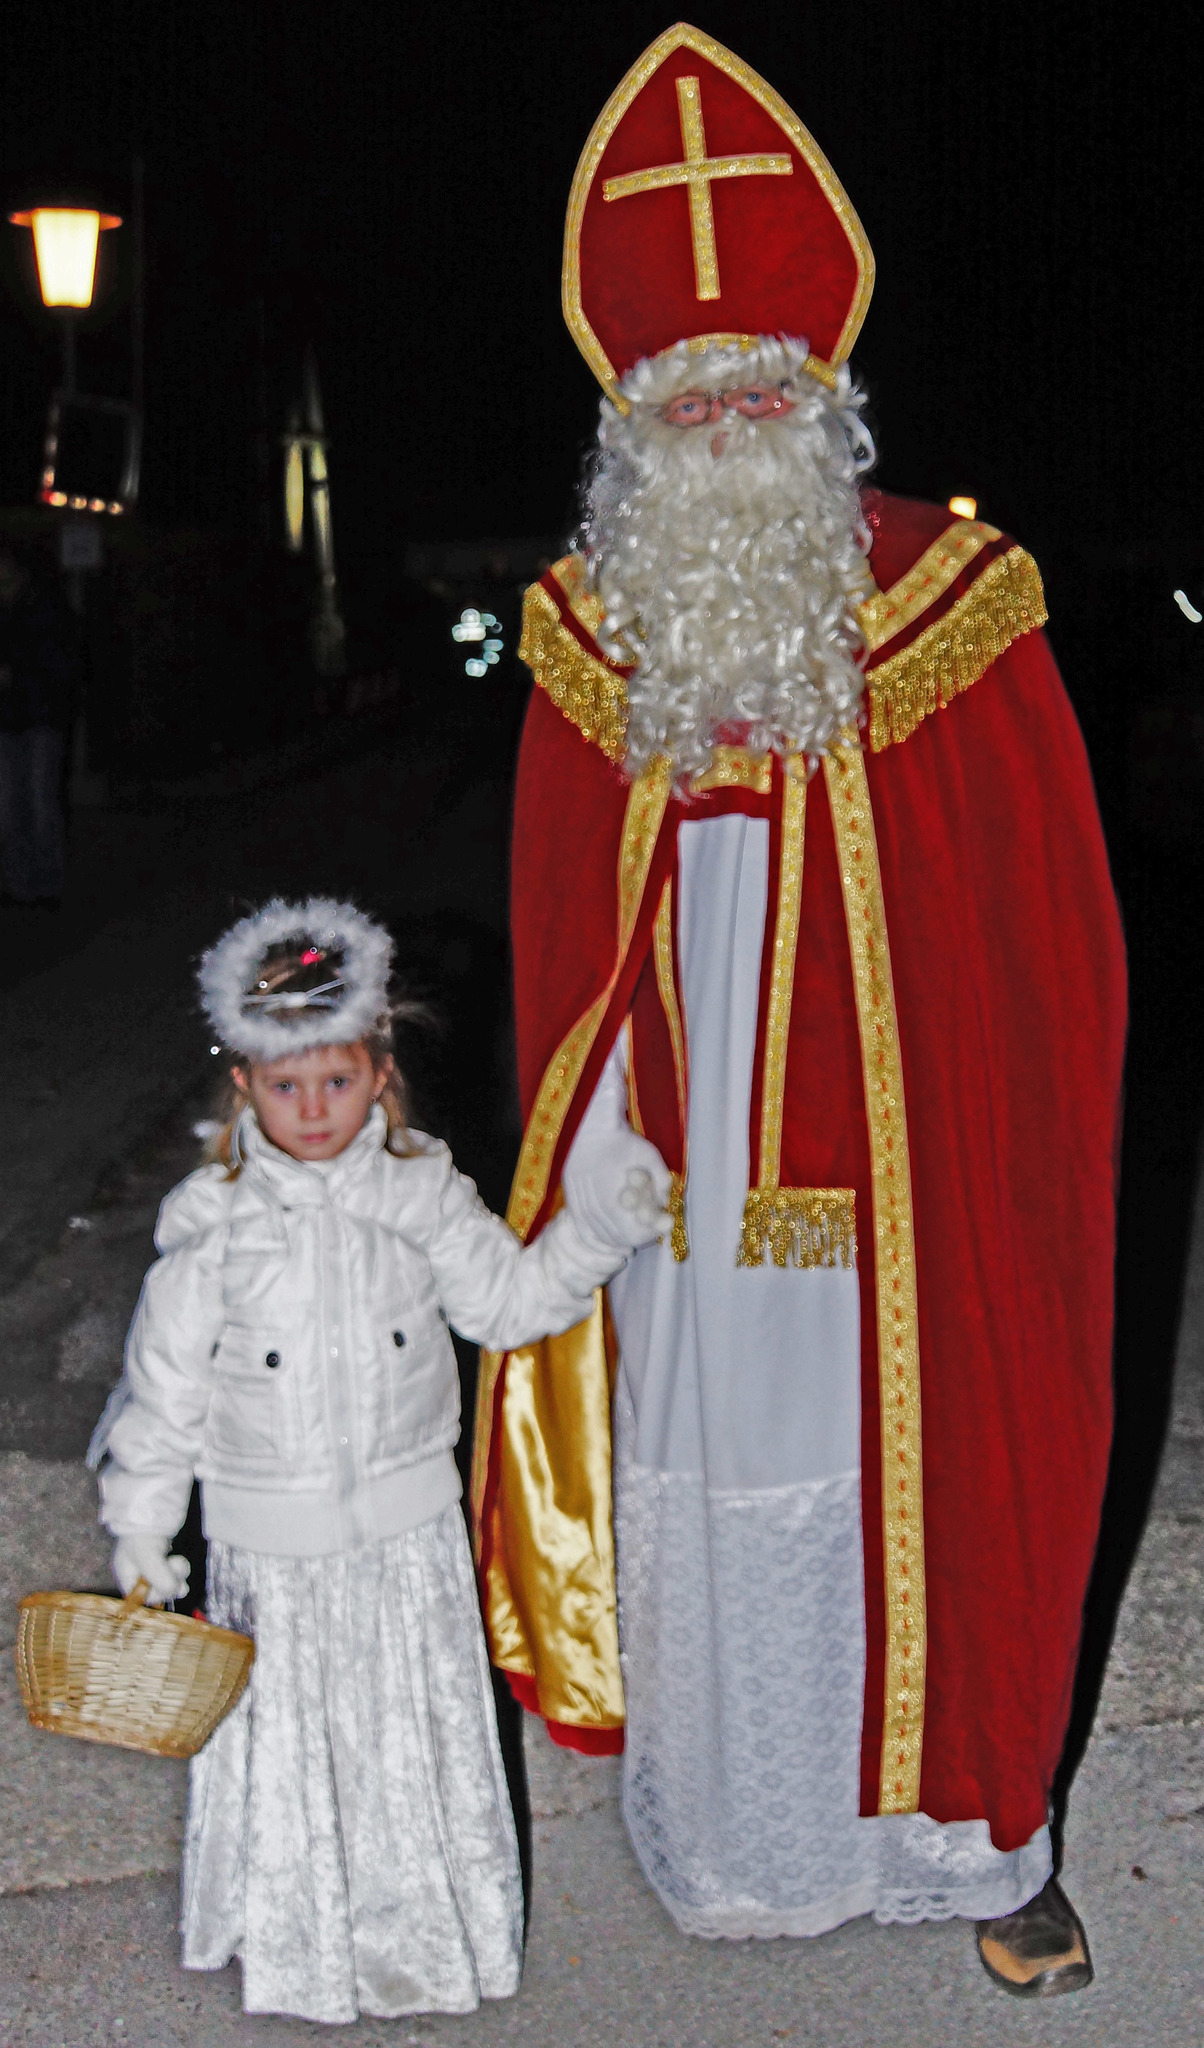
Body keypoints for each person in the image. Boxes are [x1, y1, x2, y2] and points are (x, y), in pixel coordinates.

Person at [471, 25, 1125, 2002]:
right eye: (687, 398)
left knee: (930, 1459)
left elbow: (1039, 924)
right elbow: (561, 925)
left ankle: (972, 1843)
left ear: (821, 397)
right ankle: (745, 1840)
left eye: (760, 387)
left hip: (892, 1173)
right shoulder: (593, 629)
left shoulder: (949, 600)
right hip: (687, 1170)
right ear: (632, 429)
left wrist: (991, 1133)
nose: (727, 422)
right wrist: (583, 1149)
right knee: (712, 1457)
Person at [88, 895, 668, 2026]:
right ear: (245, 1083)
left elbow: (507, 1304)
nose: (315, 1109)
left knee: (406, 1744)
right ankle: (301, 1944)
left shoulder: (421, 1196)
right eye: (287, 1085)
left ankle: (418, 1939)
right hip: (273, 1550)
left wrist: (599, 1228)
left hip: (406, 1539)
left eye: (337, 1082)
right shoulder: (213, 1227)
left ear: (379, 1072)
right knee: (299, 1752)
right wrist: (143, 1535)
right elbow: (162, 1399)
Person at [0, 542, 80, 909]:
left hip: (40, 719)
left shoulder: (41, 605)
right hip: (8, 719)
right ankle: (20, 884)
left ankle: (48, 885)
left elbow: (58, 661)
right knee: (9, 806)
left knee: (39, 801)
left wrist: (18, 674)